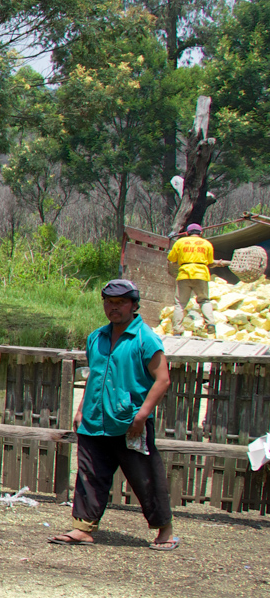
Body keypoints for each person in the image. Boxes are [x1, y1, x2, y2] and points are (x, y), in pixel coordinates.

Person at [50, 278, 177, 551]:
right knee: (89, 474)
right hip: (95, 419)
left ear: (133, 305)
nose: (114, 308)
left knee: (145, 477)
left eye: (121, 303)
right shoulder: (96, 337)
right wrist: (82, 409)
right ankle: (83, 528)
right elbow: (95, 376)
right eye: (109, 302)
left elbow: (162, 379)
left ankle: (164, 531)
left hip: (129, 421)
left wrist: (142, 416)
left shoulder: (145, 338)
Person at [167, 223, 229, 329]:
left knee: (180, 304)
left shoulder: (180, 242)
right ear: (201, 233)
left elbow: (171, 258)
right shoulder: (207, 244)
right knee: (204, 300)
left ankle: (177, 328)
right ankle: (210, 323)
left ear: (187, 233)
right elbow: (209, 261)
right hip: (201, 274)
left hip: (184, 274)